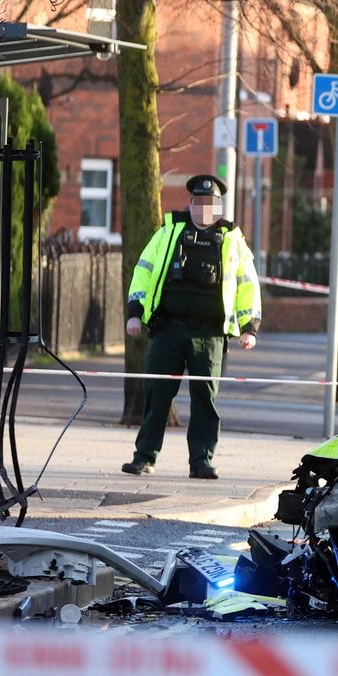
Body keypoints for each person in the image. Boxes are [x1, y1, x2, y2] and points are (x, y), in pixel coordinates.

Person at [121, 174, 261, 479]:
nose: (204, 208)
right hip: (168, 328)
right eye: (199, 202)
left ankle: (201, 460)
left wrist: (249, 327)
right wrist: (135, 313)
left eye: (210, 203)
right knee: (156, 393)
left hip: (209, 334)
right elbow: (144, 272)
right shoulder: (169, 232)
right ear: (191, 203)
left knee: (205, 399)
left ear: (219, 206)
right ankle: (144, 456)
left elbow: (247, 284)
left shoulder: (232, 239)